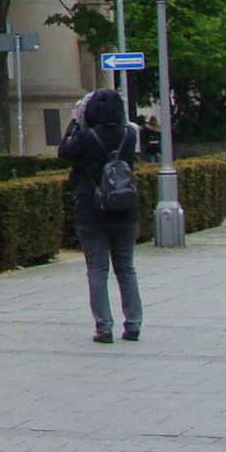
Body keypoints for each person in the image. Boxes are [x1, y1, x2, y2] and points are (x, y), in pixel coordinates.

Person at [59, 86, 143, 343]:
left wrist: (75, 120)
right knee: (126, 267)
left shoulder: (85, 137)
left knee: (97, 269)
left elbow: (63, 152)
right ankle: (133, 324)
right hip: (125, 207)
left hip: (91, 208)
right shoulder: (129, 134)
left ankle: (104, 326)